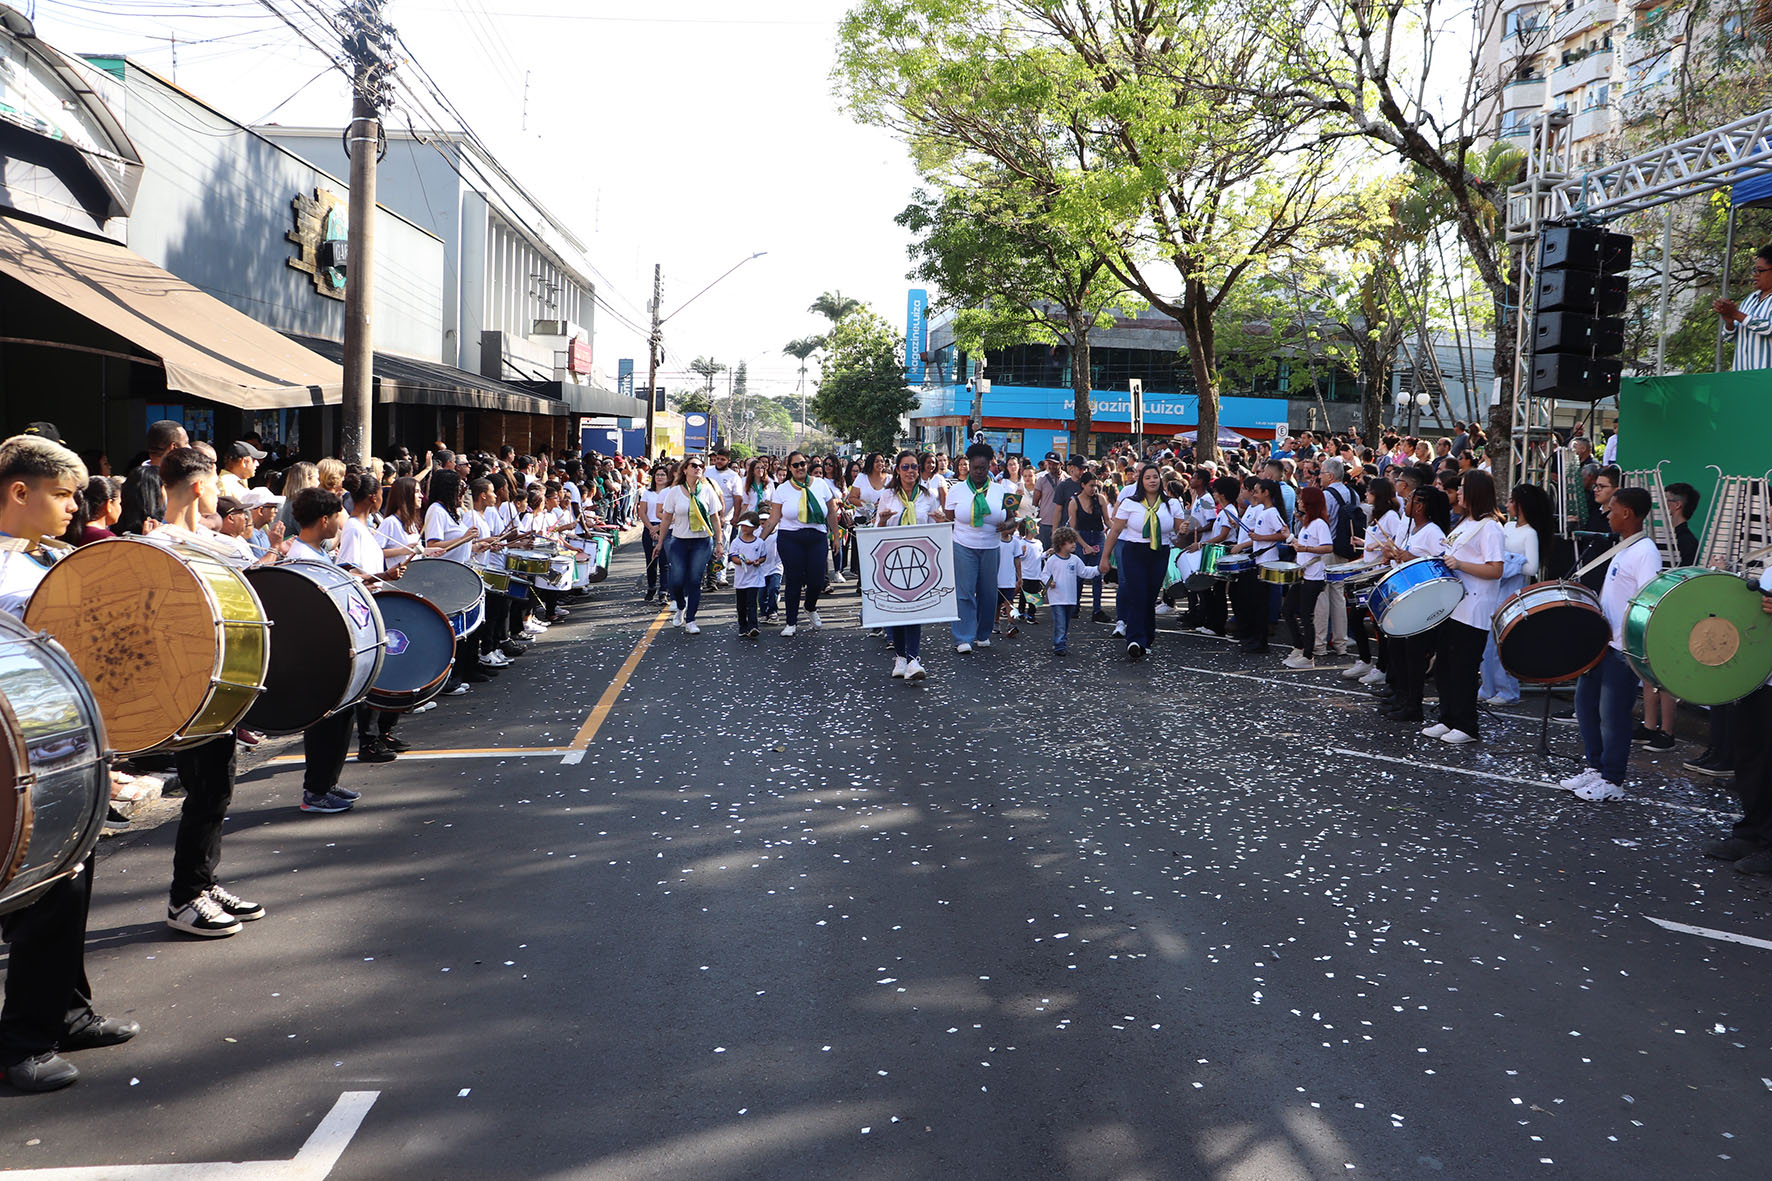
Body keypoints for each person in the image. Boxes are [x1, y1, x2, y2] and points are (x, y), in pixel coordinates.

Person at [0, 435, 141, 1092]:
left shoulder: (40, 559)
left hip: (58, 741)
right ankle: (21, 1044)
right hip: (15, 753)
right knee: (45, 888)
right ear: (18, 492)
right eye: (60, 494)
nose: (72, 506)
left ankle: (67, 1011)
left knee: (69, 876)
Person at [1560, 487, 1662, 801]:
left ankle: (1613, 780)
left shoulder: (1646, 552)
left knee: (1613, 716)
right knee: (1586, 705)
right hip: (1603, 643)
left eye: (1613, 508)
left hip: (1622, 649)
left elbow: (1649, 601)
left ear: (1628, 513)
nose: (1607, 513)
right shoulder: (1625, 547)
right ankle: (1595, 766)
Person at [1424, 470, 1507, 745]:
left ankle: (1467, 724)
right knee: (1445, 666)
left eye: (1462, 488)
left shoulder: (1491, 526)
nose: (1458, 492)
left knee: (1464, 668)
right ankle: (1447, 718)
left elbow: (1496, 569)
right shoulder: (1465, 522)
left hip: (1474, 608)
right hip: (1453, 605)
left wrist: (1459, 565)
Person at [872, 449, 945, 678]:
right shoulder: (888, 496)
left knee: (914, 611)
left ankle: (914, 659)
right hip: (892, 560)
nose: (910, 471)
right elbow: (876, 532)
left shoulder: (928, 496)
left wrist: (942, 522)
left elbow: (937, 530)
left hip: (919, 559)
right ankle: (901, 658)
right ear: (897, 470)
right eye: (905, 467)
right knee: (897, 612)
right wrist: (882, 521)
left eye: (914, 466)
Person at [1480, 484, 1554, 706]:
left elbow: (1531, 568)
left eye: (1512, 501)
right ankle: (1487, 686)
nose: (1508, 505)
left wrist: (1509, 561)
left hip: (1512, 592)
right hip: (1495, 588)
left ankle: (1507, 690)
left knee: (1503, 643)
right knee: (1487, 644)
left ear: (1521, 506)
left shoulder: (1530, 533)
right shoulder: (1508, 526)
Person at [1100, 463, 1180, 661]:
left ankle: (1146, 638)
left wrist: (1186, 529)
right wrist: (1105, 557)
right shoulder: (1130, 502)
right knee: (1137, 594)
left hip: (1160, 551)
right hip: (1134, 550)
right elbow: (1115, 531)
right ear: (1141, 481)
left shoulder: (1171, 504)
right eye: (1148, 477)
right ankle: (1134, 640)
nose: (1152, 480)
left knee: (1150, 596)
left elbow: (1179, 532)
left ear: (1160, 480)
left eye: (1155, 477)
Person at [943, 441, 1015, 654]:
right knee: (964, 593)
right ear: (968, 466)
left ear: (990, 466)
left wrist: (1006, 526)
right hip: (963, 545)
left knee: (989, 593)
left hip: (992, 547)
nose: (979, 472)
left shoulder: (1001, 490)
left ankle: (983, 634)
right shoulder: (956, 490)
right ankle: (963, 637)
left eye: (983, 468)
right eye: (975, 468)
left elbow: (1013, 519)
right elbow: (949, 519)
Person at [657, 455, 725, 635]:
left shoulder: (707, 491)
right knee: (676, 580)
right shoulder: (675, 491)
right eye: (694, 465)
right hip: (679, 540)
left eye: (701, 466)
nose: (698, 468)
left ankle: (691, 620)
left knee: (695, 580)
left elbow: (715, 518)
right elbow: (666, 518)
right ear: (685, 469)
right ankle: (680, 606)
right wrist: (660, 541)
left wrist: (719, 542)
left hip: (702, 541)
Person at [1281, 487, 1334, 669]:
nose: (1299, 502)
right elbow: (1301, 546)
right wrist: (1289, 537)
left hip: (1314, 576)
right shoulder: (1307, 523)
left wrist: (1306, 550)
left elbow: (1327, 547)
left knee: (1305, 615)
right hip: (1302, 574)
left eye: (1302, 499)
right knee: (1288, 610)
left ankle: (1308, 656)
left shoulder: (1319, 524)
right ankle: (1299, 646)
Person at [116, 418, 187, 534]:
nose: (189, 448)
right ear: (174, 447)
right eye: (186, 443)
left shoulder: (185, 477)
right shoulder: (140, 478)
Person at [1042, 526, 1099, 656]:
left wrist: (1098, 569)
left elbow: (1084, 572)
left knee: (1066, 621)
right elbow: (1044, 574)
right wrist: (1049, 582)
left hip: (1070, 598)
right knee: (1060, 621)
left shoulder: (1075, 559)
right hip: (1057, 598)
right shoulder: (1053, 560)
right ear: (1061, 544)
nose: (1074, 544)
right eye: (1070, 542)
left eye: (1074, 541)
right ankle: (1059, 645)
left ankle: (1061, 640)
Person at [1714, 243, 1772, 371]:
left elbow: (1769, 328)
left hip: (1767, 379)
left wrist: (1736, 314)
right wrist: (1729, 322)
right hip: (1742, 377)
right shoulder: (1750, 299)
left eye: (1760, 270)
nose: (1755, 274)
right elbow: (1730, 338)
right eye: (1754, 270)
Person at [727, 511, 774, 640]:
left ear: (755, 527)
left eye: (747, 526)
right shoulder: (737, 542)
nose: (744, 528)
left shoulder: (759, 542)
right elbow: (733, 557)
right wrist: (743, 561)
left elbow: (763, 556)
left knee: (752, 603)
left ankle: (753, 626)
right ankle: (743, 626)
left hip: (754, 578)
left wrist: (758, 561)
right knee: (741, 605)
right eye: (742, 526)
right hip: (741, 579)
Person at [639, 462, 673, 604]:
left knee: (665, 563)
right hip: (649, 527)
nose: (659, 477)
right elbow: (642, 512)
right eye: (657, 475)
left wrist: (659, 527)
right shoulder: (647, 493)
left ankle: (663, 591)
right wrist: (651, 528)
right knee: (651, 561)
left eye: (663, 475)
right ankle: (651, 587)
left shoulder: (670, 492)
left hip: (665, 526)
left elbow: (671, 514)